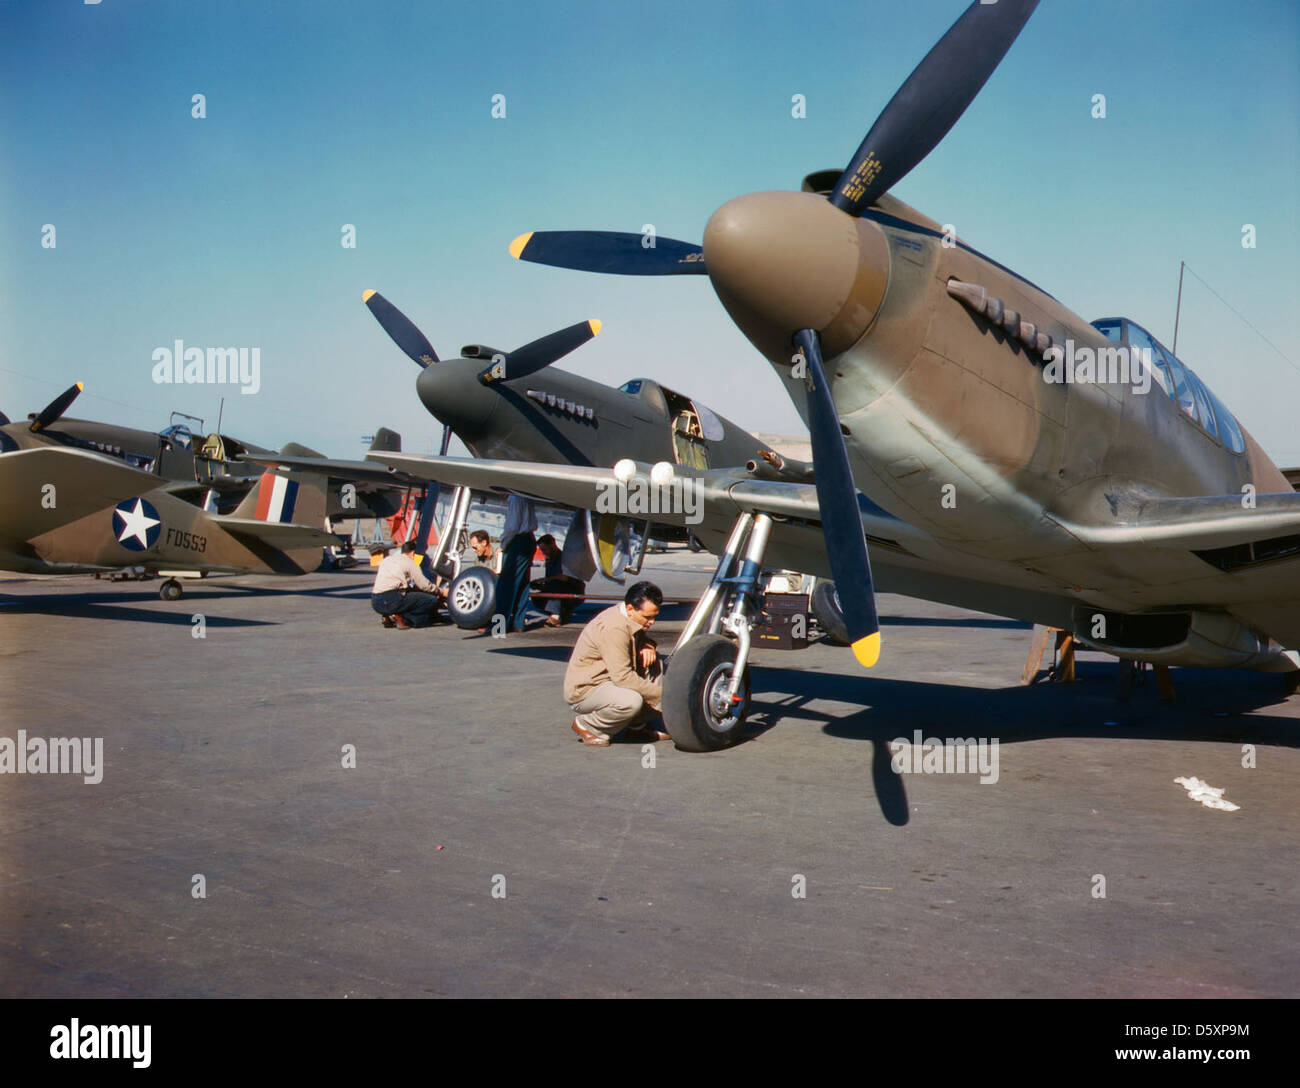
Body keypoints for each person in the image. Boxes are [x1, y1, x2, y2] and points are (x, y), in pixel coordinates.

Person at [563, 581, 671, 746]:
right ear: (630, 609)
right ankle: (589, 726)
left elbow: (635, 638)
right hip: (587, 689)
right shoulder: (614, 628)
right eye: (647, 617)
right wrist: (665, 696)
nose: (652, 622)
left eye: (654, 616)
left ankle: (637, 726)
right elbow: (623, 678)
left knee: (653, 660)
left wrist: (648, 645)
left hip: (609, 680)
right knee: (631, 701)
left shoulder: (629, 616)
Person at [370, 540, 444, 628]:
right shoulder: (411, 562)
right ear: (413, 553)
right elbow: (424, 585)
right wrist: (441, 591)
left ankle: (391, 616)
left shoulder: (388, 559)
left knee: (413, 599)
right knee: (431, 601)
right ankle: (402, 617)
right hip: (393, 599)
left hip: (376, 601)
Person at [493, 495, 539, 632]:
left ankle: (499, 626)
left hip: (518, 540)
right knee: (523, 584)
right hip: (529, 539)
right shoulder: (525, 495)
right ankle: (518, 623)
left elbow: (512, 527)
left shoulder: (515, 498)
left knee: (505, 585)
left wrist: (503, 544)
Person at [530, 533, 586, 626]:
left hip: (574, 591)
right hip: (559, 589)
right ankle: (562, 613)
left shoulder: (564, 558)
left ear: (552, 545)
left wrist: (544, 579)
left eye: (544, 549)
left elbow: (563, 577)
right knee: (537, 597)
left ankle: (556, 615)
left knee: (556, 584)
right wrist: (539, 585)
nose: (543, 552)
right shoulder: (549, 560)